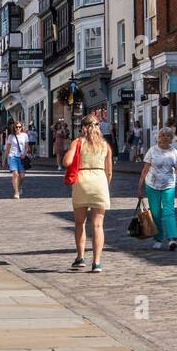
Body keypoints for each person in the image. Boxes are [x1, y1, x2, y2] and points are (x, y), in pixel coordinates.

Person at [63, 114, 114, 271]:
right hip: (100, 181)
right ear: (98, 127)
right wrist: (104, 184)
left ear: (82, 127)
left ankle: (80, 257)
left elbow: (66, 162)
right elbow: (109, 172)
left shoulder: (78, 142)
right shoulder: (105, 146)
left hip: (82, 181)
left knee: (80, 223)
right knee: (98, 225)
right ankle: (96, 262)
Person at [138, 127, 177, 249]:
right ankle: (158, 238)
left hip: (168, 185)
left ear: (171, 139)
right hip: (152, 185)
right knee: (156, 213)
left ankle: (172, 239)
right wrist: (140, 187)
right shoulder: (152, 151)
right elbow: (145, 170)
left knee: (169, 212)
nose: (165, 137)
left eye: (168, 135)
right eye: (163, 135)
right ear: (159, 137)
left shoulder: (174, 152)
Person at [4, 121, 30, 200]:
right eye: (16, 127)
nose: (18, 128)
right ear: (14, 128)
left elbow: (27, 147)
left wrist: (24, 154)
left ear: (22, 127)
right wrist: (4, 160)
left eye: (19, 127)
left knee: (22, 176)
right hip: (12, 157)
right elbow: (7, 149)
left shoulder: (25, 135)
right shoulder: (11, 136)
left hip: (21, 157)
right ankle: (16, 192)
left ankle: (19, 186)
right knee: (15, 174)